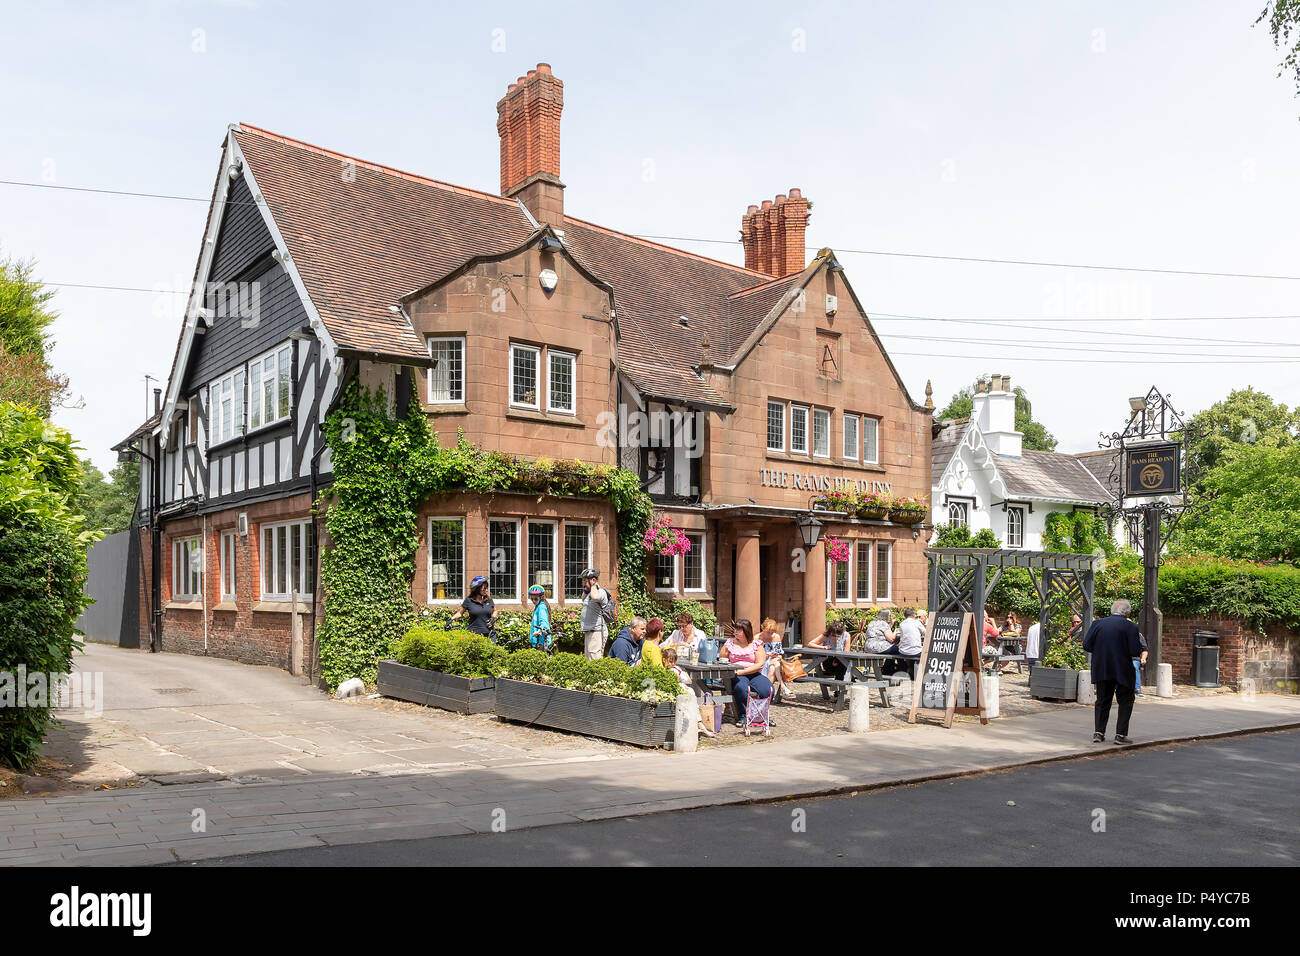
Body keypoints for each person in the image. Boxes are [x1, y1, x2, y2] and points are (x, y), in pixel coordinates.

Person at [1083, 598, 1143, 744]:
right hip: (1123, 669)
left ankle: (1098, 733)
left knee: (1102, 701)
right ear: (1127, 613)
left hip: (1102, 668)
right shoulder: (1131, 627)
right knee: (1125, 701)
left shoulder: (1097, 624)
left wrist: (1100, 652)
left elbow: (1086, 645)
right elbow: (1135, 651)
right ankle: (1120, 735)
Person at [719, 619, 771, 715]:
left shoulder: (756, 644)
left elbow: (760, 664)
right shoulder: (730, 643)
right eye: (735, 629)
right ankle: (743, 714)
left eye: (739, 630)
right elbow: (722, 660)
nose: (735, 632)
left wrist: (742, 672)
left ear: (746, 631)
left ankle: (761, 714)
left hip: (753, 673)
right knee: (741, 688)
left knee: (767, 688)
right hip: (735, 674)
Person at [579, 569, 612, 660]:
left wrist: (593, 585)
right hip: (590, 631)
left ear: (593, 580)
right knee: (588, 659)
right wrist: (586, 589)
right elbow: (583, 598)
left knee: (594, 660)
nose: (584, 584)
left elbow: (595, 597)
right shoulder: (590, 592)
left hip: (597, 631)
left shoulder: (600, 592)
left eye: (585, 581)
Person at [883, 607, 924, 677]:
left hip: (903, 652)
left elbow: (901, 635)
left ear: (905, 615)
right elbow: (926, 633)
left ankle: (905, 671)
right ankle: (921, 673)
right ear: (913, 615)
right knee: (925, 652)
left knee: (903, 650)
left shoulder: (902, 624)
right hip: (916, 652)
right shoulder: (917, 622)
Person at [527, 584, 551, 649]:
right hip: (538, 640)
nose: (533, 601)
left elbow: (544, 621)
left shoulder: (541, 607)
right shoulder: (538, 606)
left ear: (541, 597)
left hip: (541, 641)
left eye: (535, 599)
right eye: (532, 599)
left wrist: (539, 631)